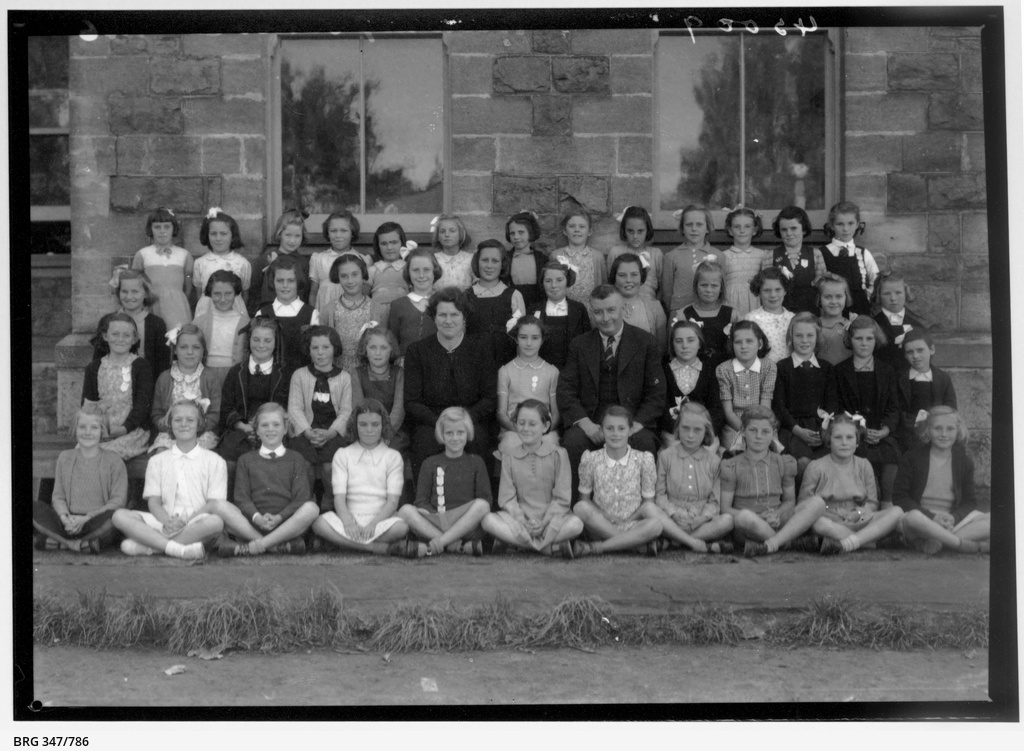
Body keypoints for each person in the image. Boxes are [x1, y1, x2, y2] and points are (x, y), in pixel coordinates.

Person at [557, 284, 665, 502]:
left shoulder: (645, 342)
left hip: (632, 422)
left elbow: (657, 393)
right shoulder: (579, 345)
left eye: (611, 310)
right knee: (574, 442)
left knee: (644, 444)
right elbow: (566, 389)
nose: (605, 318)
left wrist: (634, 425)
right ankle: (581, 513)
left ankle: (642, 510)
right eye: (598, 312)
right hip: (592, 420)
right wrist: (585, 423)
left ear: (622, 309)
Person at [403, 287, 497, 484]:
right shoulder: (417, 351)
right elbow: (412, 401)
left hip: (471, 417)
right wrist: (439, 422)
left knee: (478, 440)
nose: (448, 320)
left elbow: (489, 398)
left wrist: (463, 421)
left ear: (464, 318)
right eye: (442, 315)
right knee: (424, 442)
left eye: (454, 314)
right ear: (434, 317)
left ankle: (480, 502)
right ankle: (426, 504)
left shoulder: (480, 349)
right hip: (432, 420)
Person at [111, 399, 226, 559]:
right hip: (163, 520)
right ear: (170, 424)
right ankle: (176, 549)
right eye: (177, 420)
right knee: (119, 516)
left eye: (190, 420)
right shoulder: (157, 460)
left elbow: (214, 504)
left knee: (216, 522)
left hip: (196, 521)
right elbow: (154, 502)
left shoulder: (215, 461)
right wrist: (167, 522)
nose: (183, 424)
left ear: (199, 424)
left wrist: (184, 522)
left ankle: (153, 546)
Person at [312, 399, 421, 557]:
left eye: (375, 425)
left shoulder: (392, 456)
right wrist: (348, 523)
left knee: (401, 527)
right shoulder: (343, 454)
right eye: (363, 424)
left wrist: (373, 525)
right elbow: (339, 498)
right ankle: (378, 548)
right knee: (318, 523)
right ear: (354, 426)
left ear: (383, 425)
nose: (369, 430)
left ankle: (342, 544)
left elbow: (392, 502)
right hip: (349, 519)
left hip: (381, 521)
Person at [719, 406, 826, 557]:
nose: (759, 436)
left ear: (774, 433)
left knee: (818, 503)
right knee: (744, 517)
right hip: (750, 527)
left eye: (765, 432)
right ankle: (789, 541)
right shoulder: (731, 464)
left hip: (777, 520)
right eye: (753, 430)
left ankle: (773, 543)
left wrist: (777, 514)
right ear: (742, 431)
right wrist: (759, 517)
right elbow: (725, 509)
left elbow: (789, 501)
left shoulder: (783, 462)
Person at [215, 402, 320, 556]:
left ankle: (255, 546)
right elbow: (241, 498)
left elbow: (301, 498)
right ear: (256, 430)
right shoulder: (246, 459)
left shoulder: (296, 459)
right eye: (264, 425)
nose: (270, 429)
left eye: (276, 424)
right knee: (219, 506)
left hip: (286, 525)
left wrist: (279, 518)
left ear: (285, 429)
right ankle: (275, 546)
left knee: (311, 508)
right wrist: (257, 518)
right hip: (252, 525)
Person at [482, 400, 582, 557]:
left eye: (532, 424)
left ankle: (521, 545)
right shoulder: (509, 457)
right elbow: (507, 499)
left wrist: (543, 523)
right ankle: (548, 548)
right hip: (520, 522)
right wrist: (524, 522)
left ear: (545, 426)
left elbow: (562, 498)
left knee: (576, 524)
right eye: (521, 423)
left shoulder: (559, 454)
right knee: (488, 520)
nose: (526, 428)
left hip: (552, 520)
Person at [802, 412, 904, 555]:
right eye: (838, 437)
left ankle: (850, 541)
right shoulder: (816, 467)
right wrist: (830, 516)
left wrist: (858, 513)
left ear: (857, 440)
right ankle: (867, 541)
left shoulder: (863, 465)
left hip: (859, 518)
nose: (844, 442)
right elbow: (805, 505)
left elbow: (872, 502)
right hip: (831, 520)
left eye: (850, 437)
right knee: (818, 523)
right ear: (828, 440)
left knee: (897, 511)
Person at [32, 403, 126, 553]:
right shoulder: (65, 458)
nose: (87, 432)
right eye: (82, 427)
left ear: (102, 431)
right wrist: (64, 517)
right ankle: (77, 544)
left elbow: (117, 501)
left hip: (95, 521)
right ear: (74, 429)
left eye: (94, 427)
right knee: (35, 507)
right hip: (68, 521)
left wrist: (87, 518)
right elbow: (58, 496)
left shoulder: (114, 461)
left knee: (115, 518)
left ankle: (57, 542)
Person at [894, 406, 989, 554]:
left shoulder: (964, 462)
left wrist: (953, 517)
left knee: (995, 520)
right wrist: (932, 517)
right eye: (938, 428)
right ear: (928, 430)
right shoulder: (911, 458)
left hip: (949, 522)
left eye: (950, 429)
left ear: (958, 431)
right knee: (912, 518)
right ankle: (958, 544)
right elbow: (900, 498)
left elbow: (970, 501)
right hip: (922, 520)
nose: (944, 434)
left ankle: (937, 541)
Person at [397, 407, 492, 556]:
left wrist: (460, 522)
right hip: (437, 520)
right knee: (405, 511)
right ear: (441, 434)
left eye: (460, 432)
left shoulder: (476, 462)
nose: (455, 438)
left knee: (483, 506)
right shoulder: (430, 463)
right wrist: (436, 516)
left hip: (466, 523)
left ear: (468, 433)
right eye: (449, 433)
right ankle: (454, 544)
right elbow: (421, 501)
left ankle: (440, 543)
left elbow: (485, 499)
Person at [571, 406, 663, 556]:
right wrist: (606, 517)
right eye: (610, 428)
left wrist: (627, 522)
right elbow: (585, 499)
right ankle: (633, 545)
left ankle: (597, 548)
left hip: (633, 525)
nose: (615, 434)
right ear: (601, 430)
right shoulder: (591, 459)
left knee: (656, 525)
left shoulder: (643, 459)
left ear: (631, 430)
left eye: (621, 428)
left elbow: (648, 503)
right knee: (580, 507)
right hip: (602, 524)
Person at [644, 402, 734, 553]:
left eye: (697, 430)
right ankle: (694, 542)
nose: (690, 435)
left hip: (700, 520)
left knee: (727, 521)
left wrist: (702, 518)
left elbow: (715, 500)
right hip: (672, 517)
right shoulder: (666, 456)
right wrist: (673, 514)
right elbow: (660, 494)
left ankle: (674, 541)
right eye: (685, 428)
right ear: (678, 427)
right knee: (649, 510)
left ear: (706, 432)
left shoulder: (714, 461)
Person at [833, 316, 901, 506]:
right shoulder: (840, 371)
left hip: (880, 432)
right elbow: (837, 408)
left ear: (876, 340)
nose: (864, 344)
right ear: (849, 340)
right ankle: (868, 502)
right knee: (858, 455)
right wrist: (857, 430)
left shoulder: (886, 371)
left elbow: (893, 407)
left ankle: (888, 502)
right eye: (858, 339)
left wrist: (884, 431)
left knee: (891, 452)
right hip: (853, 433)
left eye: (869, 339)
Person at [287, 325, 352, 503]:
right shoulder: (299, 375)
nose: (320, 353)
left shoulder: (344, 377)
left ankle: (330, 501)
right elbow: (294, 408)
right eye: (315, 348)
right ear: (308, 350)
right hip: (306, 431)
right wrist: (307, 432)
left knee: (330, 467)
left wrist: (331, 432)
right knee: (304, 465)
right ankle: (306, 501)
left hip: (332, 432)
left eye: (326, 347)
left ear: (335, 349)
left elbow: (346, 410)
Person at [217, 316, 292, 464]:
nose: (261, 345)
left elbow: (288, 409)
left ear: (275, 343)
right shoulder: (236, 372)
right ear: (249, 340)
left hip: (274, 432)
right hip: (241, 431)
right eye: (256, 339)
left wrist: (266, 428)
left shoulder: (285, 375)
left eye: (267, 340)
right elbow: (226, 408)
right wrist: (244, 427)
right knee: (230, 462)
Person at [772, 313, 838, 473]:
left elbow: (832, 404)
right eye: (799, 336)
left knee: (830, 463)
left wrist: (824, 431)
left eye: (810, 335)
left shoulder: (827, 368)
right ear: (790, 338)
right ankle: (802, 497)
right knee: (804, 463)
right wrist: (798, 430)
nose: (804, 340)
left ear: (817, 338)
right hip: (793, 429)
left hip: (822, 429)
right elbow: (779, 407)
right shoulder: (781, 367)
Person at [84, 312, 154, 460]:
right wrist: (96, 429)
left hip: (131, 431)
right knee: (82, 452)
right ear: (105, 336)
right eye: (115, 334)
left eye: (126, 335)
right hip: (101, 431)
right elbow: (88, 404)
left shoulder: (141, 366)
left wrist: (123, 429)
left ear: (134, 339)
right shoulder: (94, 367)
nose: (120, 339)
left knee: (106, 456)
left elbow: (143, 406)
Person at [150, 324, 221, 452]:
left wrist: (196, 428)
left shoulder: (210, 378)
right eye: (183, 347)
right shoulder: (165, 378)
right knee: (163, 453)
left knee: (196, 454)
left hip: (201, 433)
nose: (190, 352)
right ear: (175, 350)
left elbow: (215, 414)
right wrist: (169, 426)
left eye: (196, 347)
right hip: (170, 433)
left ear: (203, 350)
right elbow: (157, 413)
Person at [496, 315, 559, 456]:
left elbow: (554, 413)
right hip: (514, 430)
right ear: (516, 338)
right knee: (511, 445)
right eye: (523, 337)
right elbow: (501, 412)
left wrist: (543, 431)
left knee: (549, 445)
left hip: (543, 430)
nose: (529, 343)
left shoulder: (552, 371)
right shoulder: (506, 371)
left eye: (535, 338)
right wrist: (520, 430)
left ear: (542, 340)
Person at [715, 320, 777, 451]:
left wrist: (757, 430)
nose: (744, 346)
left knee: (769, 450)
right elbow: (728, 412)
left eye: (749, 341)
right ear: (732, 345)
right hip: (735, 425)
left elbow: (766, 406)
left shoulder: (768, 366)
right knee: (735, 451)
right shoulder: (724, 369)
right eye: (738, 342)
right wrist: (746, 431)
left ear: (759, 344)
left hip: (762, 421)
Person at [130, 205, 193, 330]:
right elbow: (135, 282)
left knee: (176, 336)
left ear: (173, 228)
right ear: (151, 229)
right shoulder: (143, 254)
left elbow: (188, 285)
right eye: (157, 227)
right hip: (151, 305)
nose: (162, 231)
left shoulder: (184, 254)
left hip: (176, 307)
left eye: (167, 226)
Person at [661, 320, 721, 446]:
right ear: (672, 344)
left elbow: (716, 409)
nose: (685, 346)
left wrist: (703, 431)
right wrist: (679, 431)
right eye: (678, 341)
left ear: (699, 343)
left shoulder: (709, 370)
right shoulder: (664, 370)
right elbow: (662, 408)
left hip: (703, 431)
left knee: (708, 451)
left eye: (690, 340)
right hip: (673, 433)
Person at [895, 329, 957, 452]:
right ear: (905, 356)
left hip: (936, 432)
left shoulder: (943, 378)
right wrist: (915, 425)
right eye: (910, 352)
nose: (915, 356)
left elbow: (951, 409)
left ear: (931, 349)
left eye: (920, 350)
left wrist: (933, 424)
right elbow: (896, 409)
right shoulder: (899, 378)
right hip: (906, 434)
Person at [466, 239, 525, 367]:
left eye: (495, 261)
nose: (489, 266)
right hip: (473, 362)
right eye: (485, 260)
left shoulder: (514, 296)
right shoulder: (465, 296)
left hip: (505, 361)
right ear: (477, 262)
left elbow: (522, 336)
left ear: (502, 264)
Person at [255, 255, 320, 371]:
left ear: (298, 281)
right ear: (272, 281)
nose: (285, 286)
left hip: (302, 376)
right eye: (280, 280)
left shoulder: (311, 314)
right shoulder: (263, 313)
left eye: (291, 281)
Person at [349, 324, 407, 451]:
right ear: (365, 349)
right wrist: (370, 434)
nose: (378, 353)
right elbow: (358, 407)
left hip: (392, 431)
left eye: (384, 348)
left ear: (391, 350)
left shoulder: (399, 373)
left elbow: (399, 409)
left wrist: (386, 434)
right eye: (372, 347)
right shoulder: (357, 374)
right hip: (365, 430)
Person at [103, 267, 170, 377]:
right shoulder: (107, 321)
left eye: (135, 292)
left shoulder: (157, 324)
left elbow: (162, 365)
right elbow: (98, 361)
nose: (129, 297)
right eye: (124, 291)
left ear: (146, 293)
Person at [528, 259, 591, 371]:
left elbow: (588, 343)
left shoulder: (579, 309)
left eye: (559, 280)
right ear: (542, 282)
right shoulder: (533, 310)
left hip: (572, 371)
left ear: (567, 281)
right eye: (548, 281)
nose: (554, 285)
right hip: (540, 370)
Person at [327, 254, 387, 371]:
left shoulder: (378, 309)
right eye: (344, 276)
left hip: (367, 375)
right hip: (338, 374)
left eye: (355, 275)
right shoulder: (329, 309)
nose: (350, 281)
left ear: (363, 275)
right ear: (337, 277)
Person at [192, 270, 248, 393]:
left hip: (234, 375)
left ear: (236, 293)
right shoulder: (199, 322)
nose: (223, 299)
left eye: (228, 293)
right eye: (217, 294)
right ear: (210, 294)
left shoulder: (245, 323)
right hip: (206, 374)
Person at [819, 200, 879, 317]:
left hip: (860, 309)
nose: (846, 229)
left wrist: (866, 298)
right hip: (833, 310)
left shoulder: (863, 253)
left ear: (857, 224)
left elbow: (876, 282)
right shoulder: (821, 253)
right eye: (840, 224)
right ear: (831, 225)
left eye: (850, 223)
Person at [674, 260, 737, 370]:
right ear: (696, 286)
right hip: (694, 373)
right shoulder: (684, 314)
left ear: (721, 287)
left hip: (725, 373)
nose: (709, 290)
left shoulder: (732, 314)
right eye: (704, 285)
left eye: (714, 286)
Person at [192, 207, 251, 319]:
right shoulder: (200, 263)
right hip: (207, 314)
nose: (218, 238)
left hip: (234, 312)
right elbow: (199, 293)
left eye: (223, 234)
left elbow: (245, 293)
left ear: (232, 236)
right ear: (207, 235)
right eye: (213, 234)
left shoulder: (242, 263)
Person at [249, 208, 311, 315]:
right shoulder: (265, 259)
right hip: (269, 313)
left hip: (295, 313)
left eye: (297, 236)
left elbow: (306, 293)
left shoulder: (303, 262)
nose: (292, 241)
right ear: (279, 234)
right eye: (288, 235)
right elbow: (254, 289)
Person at [766, 205, 826, 315]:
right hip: (780, 312)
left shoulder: (815, 254)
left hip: (809, 311)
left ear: (803, 229)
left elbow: (822, 287)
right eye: (784, 229)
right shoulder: (770, 256)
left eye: (793, 228)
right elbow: (766, 287)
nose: (789, 233)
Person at [387, 247, 441, 361]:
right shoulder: (398, 305)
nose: (421, 275)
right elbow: (393, 341)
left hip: (437, 364)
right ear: (408, 273)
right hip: (406, 366)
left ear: (434, 271)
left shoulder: (443, 302)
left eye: (426, 270)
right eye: (416, 270)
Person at [661, 205, 716, 314]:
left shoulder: (717, 255)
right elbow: (667, 293)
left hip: (710, 313)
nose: (694, 229)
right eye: (689, 224)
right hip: (680, 313)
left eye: (699, 224)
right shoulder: (672, 256)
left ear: (707, 228)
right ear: (682, 228)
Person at [310, 210, 366, 319]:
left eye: (344, 230)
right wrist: (314, 315)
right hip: (324, 309)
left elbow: (364, 291)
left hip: (351, 313)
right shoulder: (319, 258)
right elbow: (313, 292)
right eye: (333, 231)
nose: (338, 235)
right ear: (328, 233)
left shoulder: (360, 259)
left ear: (352, 233)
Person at [609, 252, 667, 355]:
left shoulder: (655, 308)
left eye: (634, 274)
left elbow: (661, 348)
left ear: (641, 277)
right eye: (622, 275)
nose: (628, 280)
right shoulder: (606, 308)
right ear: (614, 279)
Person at [720, 207, 770, 318]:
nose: (742, 231)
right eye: (737, 227)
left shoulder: (763, 255)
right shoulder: (723, 256)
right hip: (730, 305)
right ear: (730, 230)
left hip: (755, 304)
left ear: (755, 230)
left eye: (747, 226)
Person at [872, 271, 926, 374]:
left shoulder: (917, 326)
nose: (893, 298)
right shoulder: (873, 325)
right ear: (879, 295)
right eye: (887, 293)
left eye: (898, 292)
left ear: (906, 292)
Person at [607, 206, 663, 303]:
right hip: (622, 307)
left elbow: (662, 287)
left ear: (647, 230)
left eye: (640, 231)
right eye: (630, 231)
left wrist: (655, 307)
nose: (635, 236)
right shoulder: (615, 252)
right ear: (624, 230)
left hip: (649, 307)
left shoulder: (656, 254)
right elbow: (610, 284)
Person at [553, 209, 606, 306]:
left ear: (589, 231)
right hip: (564, 308)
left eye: (582, 226)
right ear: (565, 231)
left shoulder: (597, 257)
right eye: (572, 226)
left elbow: (603, 285)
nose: (577, 230)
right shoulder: (556, 255)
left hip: (590, 309)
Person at [744, 267, 795, 364]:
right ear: (759, 292)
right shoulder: (751, 319)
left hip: (788, 373)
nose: (773, 295)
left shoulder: (792, 318)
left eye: (778, 289)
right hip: (763, 372)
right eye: (767, 290)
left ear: (785, 290)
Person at [368, 222, 414, 323]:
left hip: (403, 314)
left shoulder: (408, 269)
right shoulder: (373, 270)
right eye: (384, 243)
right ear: (378, 245)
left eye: (394, 242)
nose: (389, 248)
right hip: (377, 316)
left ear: (402, 243)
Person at [506, 210, 549, 311]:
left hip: (537, 304)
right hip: (513, 304)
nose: (516, 237)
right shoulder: (506, 258)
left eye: (521, 232)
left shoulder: (542, 259)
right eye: (512, 233)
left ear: (531, 233)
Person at [815, 273, 857, 366]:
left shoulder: (851, 325)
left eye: (839, 296)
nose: (833, 302)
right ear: (819, 298)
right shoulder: (814, 325)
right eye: (827, 297)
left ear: (846, 297)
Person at [432, 214, 474, 290]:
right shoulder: (432, 259)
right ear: (438, 236)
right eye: (442, 231)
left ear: (460, 234)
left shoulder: (471, 259)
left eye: (452, 231)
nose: (447, 235)